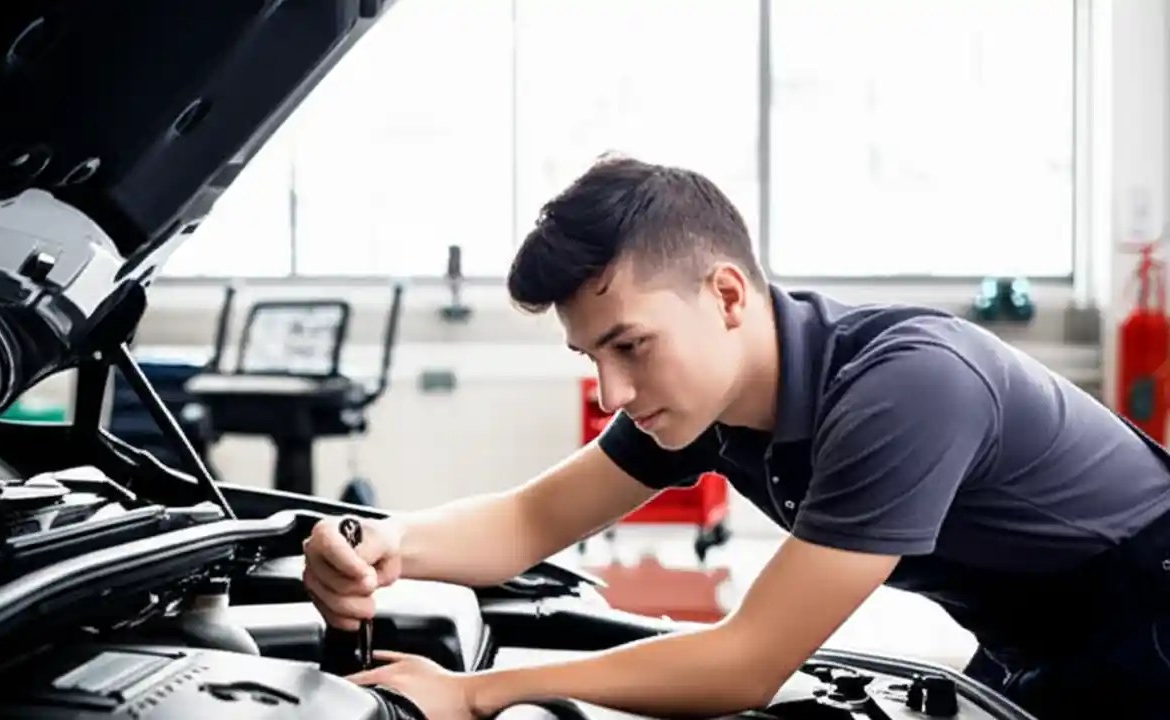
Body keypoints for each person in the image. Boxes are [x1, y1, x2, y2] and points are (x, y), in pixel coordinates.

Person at [302, 155, 1170, 719]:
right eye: (590, 356)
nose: (611, 392)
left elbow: (748, 661)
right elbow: (533, 521)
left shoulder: (905, 389)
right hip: (1044, 635)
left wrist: (481, 694)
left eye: (630, 346)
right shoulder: (711, 403)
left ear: (725, 296)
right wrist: (390, 544)